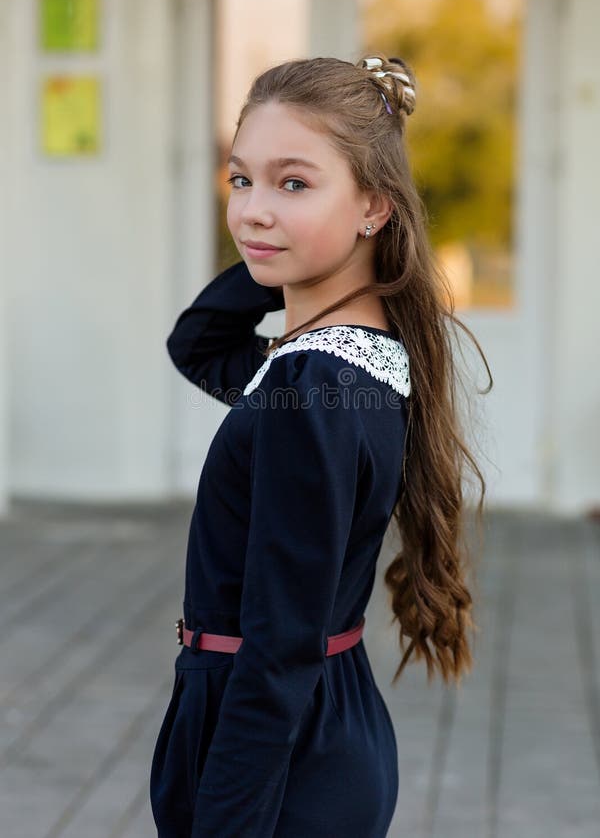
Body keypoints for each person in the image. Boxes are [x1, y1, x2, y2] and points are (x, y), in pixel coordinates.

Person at [149, 53, 490, 837]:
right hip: (321, 722)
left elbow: (278, 648)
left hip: (277, 749)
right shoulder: (344, 361)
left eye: (293, 183)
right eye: (241, 180)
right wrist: (285, 252)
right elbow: (199, 345)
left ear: (375, 205)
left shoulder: (311, 392)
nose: (252, 212)